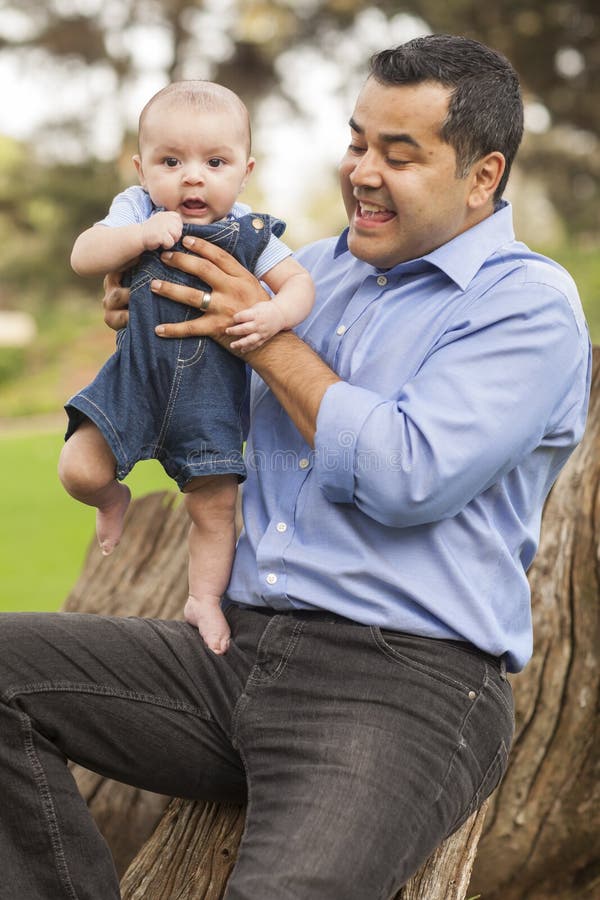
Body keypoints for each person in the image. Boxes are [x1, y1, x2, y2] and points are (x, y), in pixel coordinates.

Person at [0, 34, 592, 899]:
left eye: (400, 154)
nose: (363, 171)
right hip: (234, 652)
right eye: (358, 142)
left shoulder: (527, 306)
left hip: (403, 684)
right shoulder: (310, 272)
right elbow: (196, 417)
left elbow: (406, 474)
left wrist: (266, 335)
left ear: (481, 176)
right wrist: (149, 325)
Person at [59, 81, 315, 654]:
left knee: (215, 509)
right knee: (78, 468)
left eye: (215, 161)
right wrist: (139, 236)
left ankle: (203, 599)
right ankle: (110, 499)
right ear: (141, 167)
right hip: (134, 382)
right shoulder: (137, 209)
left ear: (245, 170)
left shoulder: (252, 232)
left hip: (209, 396)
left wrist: (274, 315)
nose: (192, 176)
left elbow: (299, 285)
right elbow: (83, 255)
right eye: (171, 161)